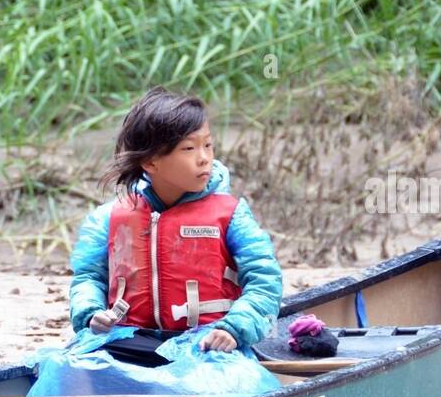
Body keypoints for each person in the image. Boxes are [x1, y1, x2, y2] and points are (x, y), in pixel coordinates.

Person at [69, 87, 282, 354]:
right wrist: (90, 313)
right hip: (127, 339)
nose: (204, 158)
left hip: (207, 344)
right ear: (150, 162)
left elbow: (265, 280)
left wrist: (233, 329)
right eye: (189, 148)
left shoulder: (232, 215)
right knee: (72, 368)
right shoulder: (107, 218)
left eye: (208, 145)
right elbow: (88, 277)